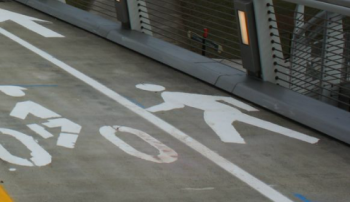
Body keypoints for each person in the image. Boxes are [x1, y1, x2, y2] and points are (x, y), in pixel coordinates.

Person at [136, 83, 318, 144]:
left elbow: (174, 107)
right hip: (222, 109)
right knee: (263, 124)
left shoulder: (169, 95)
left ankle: (239, 149)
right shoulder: (173, 93)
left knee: (225, 133)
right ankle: (307, 138)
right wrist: (248, 108)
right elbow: (222, 97)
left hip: (214, 112)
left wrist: (147, 110)